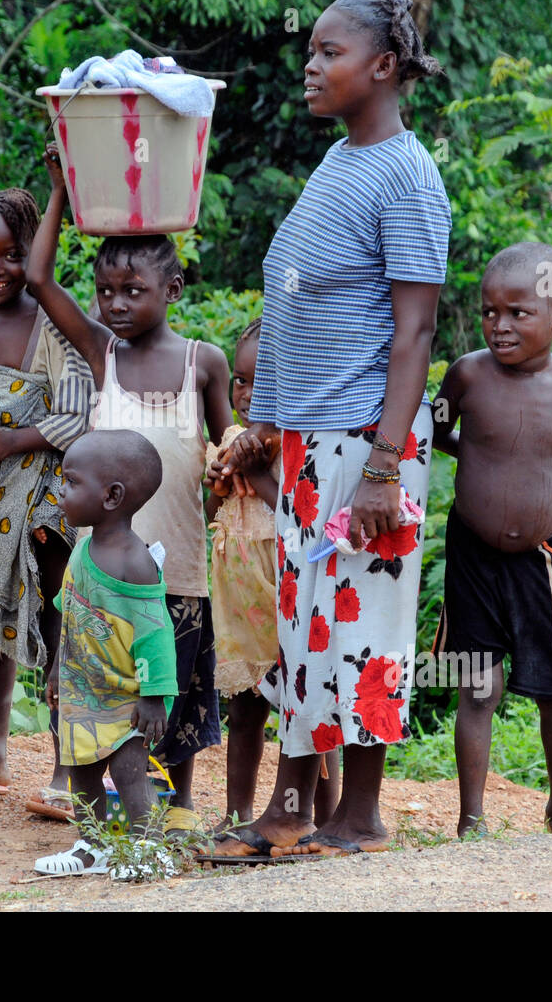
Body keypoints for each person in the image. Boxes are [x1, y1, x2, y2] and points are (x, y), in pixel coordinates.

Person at [214, 0, 450, 858]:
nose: (310, 65)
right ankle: (297, 809)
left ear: (383, 67)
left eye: (329, 51)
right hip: (315, 440)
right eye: (309, 50)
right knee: (305, 625)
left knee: (359, 625)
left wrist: (386, 465)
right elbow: (297, 313)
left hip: (367, 441)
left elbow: (415, 331)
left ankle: (358, 814)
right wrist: (266, 429)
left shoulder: (407, 174)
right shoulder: (338, 163)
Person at [26, 148, 236, 832]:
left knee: (174, 681)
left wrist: (229, 476)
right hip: (101, 570)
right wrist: (60, 190)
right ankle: (104, 793)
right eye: (105, 291)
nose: (115, 304)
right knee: (99, 680)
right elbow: (36, 277)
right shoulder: (101, 353)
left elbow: (225, 451)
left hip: (179, 562)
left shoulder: (204, 361)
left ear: (172, 290)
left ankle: (178, 801)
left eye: (134, 291)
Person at [430, 241, 552, 836]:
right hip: (472, 552)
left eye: (518, 313)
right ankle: (471, 818)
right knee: (479, 686)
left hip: (545, 558)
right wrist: (478, 453)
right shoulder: (467, 374)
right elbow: (430, 431)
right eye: (489, 312)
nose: (499, 326)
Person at [0, 188, 94, 818]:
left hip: (49, 495)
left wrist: (18, 438)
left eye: (9, 254)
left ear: (31, 253)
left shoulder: (56, 323)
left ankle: (66, 765)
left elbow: (80, 412)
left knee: (58, 615)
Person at [203, 319, 339, 839]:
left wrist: (254, 472)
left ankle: (322, 818)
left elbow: (294, 509)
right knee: (245, 709)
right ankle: (239, 814)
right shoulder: (235, 438)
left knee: (306, 714)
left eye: (265, 382)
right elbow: (212, 511)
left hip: (288, 603)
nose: (248, 394)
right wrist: (220, 479)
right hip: (240, 607)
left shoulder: (301, 445)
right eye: (241, 381)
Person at [33, 431, 179, 876]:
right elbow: (69, 613)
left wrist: (154, 696)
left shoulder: (134, 562)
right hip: (83, 690)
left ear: (112, 496)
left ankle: (152, 850)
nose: (61, 493)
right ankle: (93, 846)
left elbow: (156, 635)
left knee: (129, 771)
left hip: (125, 695)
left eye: (71, 482)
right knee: (82, 774)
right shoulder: (81, 549)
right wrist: (57, 669)